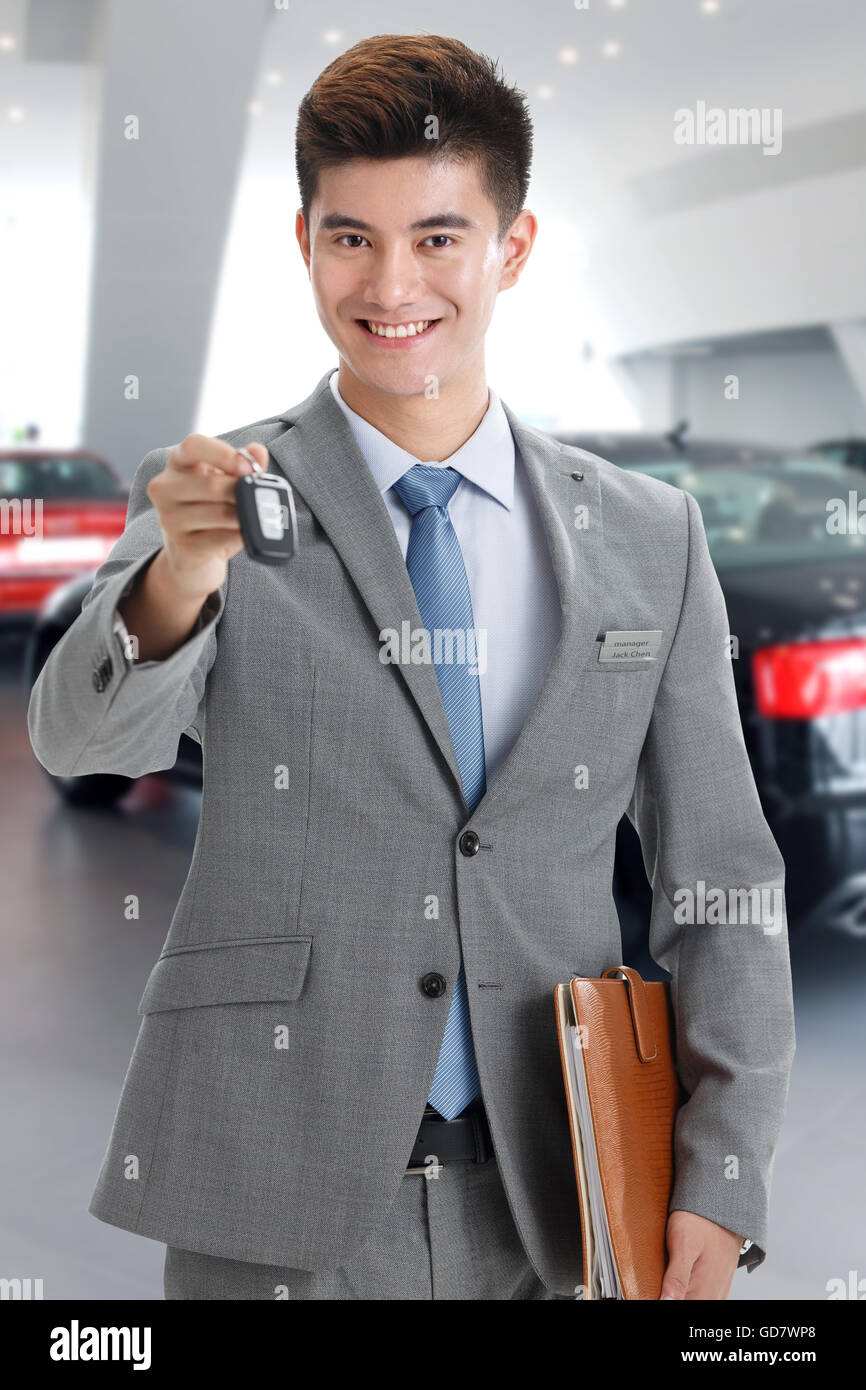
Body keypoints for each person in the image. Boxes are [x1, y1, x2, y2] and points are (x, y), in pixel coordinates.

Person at [27, 33, 795, 1301]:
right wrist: (178, 578)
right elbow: (79, 741)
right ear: (304, 241)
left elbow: (722, 879)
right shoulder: (217, 492)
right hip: (267, 1183)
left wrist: (720, 1172)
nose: (390, 285)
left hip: (562, 1193)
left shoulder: (648, 538)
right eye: (350, 238)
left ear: (514, 246)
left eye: (437, 236)